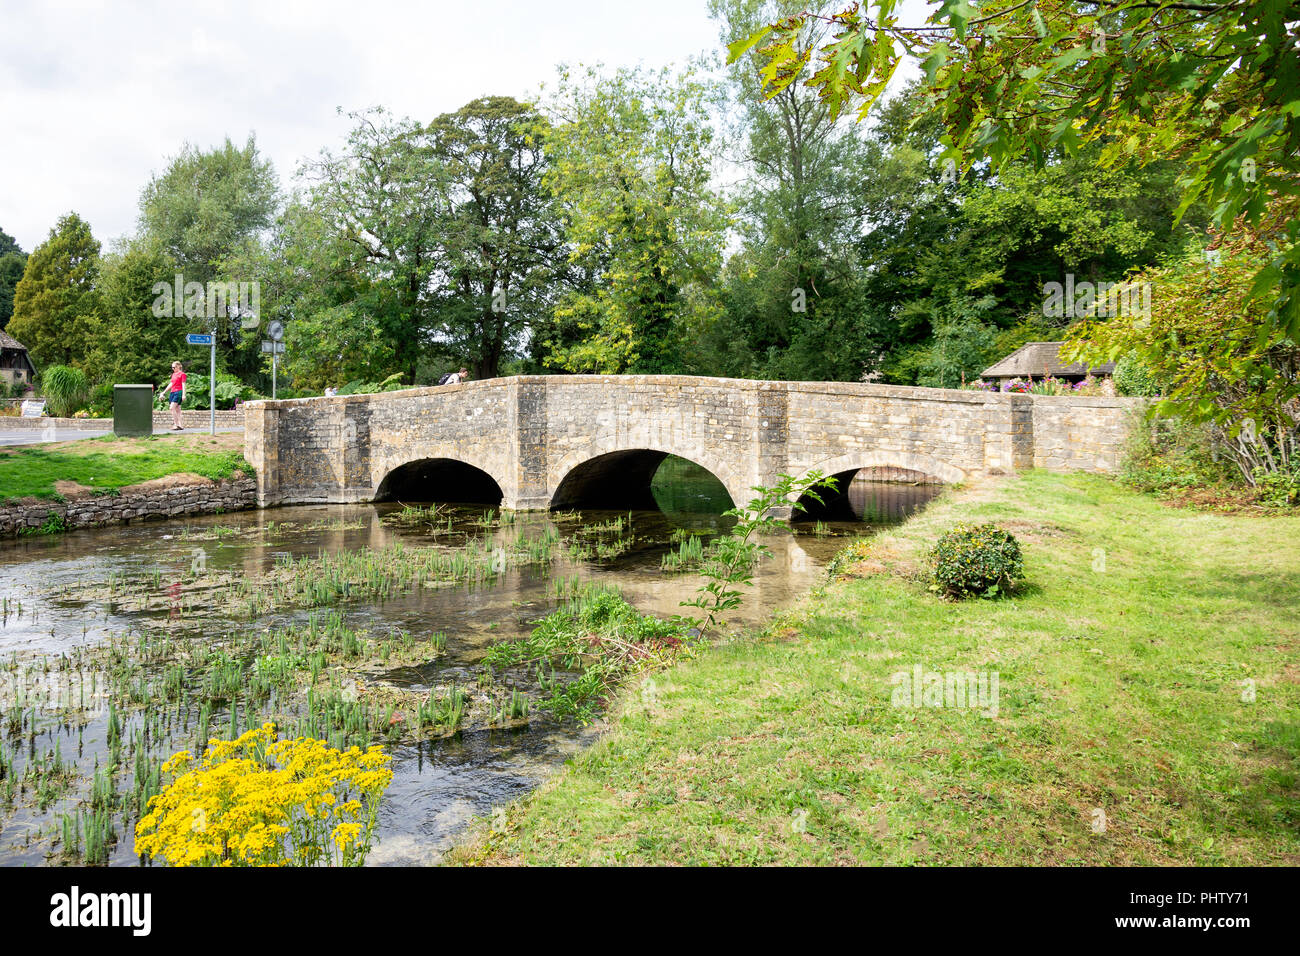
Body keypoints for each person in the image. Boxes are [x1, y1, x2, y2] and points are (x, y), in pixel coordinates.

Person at [163, 361, 186, 430]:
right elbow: (171, 384)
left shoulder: (182, 374)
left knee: (171, 408)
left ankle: (176, 425)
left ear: (178, 366)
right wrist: (164, 392)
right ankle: (181, 425)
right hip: (172, 392)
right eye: (172, 367)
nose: (173, 368)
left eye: (174, 367)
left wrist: (183, 395)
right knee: (178, 409)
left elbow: (183, 384)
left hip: (178, 392)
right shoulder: (173, 374)